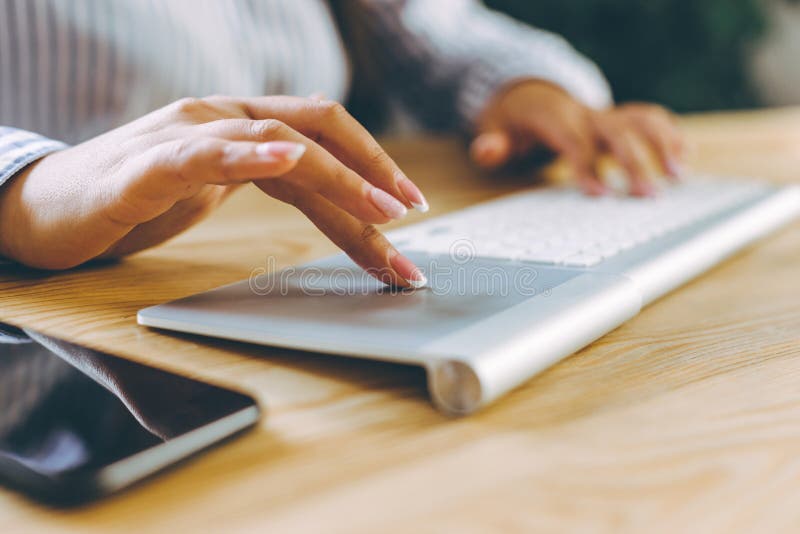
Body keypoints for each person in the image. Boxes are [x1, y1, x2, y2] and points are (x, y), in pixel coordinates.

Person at [0, 0, 683, 287]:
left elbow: (430, 26)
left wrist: (525, 88)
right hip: (70, 324)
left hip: (266, 273)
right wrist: (28, 186)